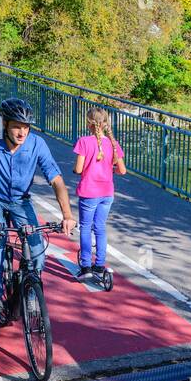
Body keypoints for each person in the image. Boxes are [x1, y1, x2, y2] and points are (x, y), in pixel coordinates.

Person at [0, 98, 75, 319]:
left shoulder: (37, 144)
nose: (22, 132)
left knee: (36, 248)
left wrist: (68, 216)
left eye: (26, 127)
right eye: (16, 126)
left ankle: (31, 291)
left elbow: (57, 181)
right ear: (4, 124)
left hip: (20, 200)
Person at [72, 107, 126, 282]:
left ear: (89, 124)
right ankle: (100, 264)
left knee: (86, 228)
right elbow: (122, 171)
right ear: (105, 124)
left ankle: (86, 265)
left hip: (89, 192)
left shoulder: (84, 142)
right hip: (107, 192)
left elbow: (79, 168)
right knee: (100, 227)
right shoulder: (113, 143)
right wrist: (109, 169)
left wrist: (77, 169)